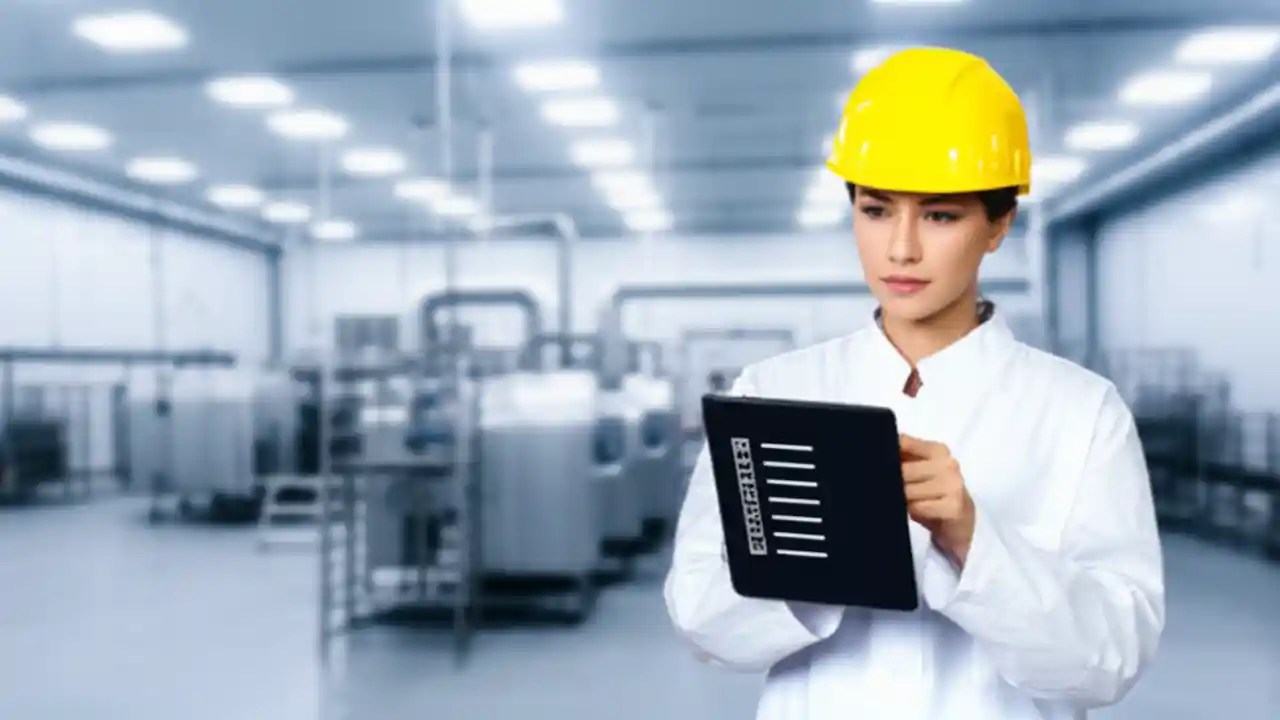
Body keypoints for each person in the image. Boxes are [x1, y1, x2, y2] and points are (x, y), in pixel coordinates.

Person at [663, 47, 1165, 719]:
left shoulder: (1080, 412)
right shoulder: (773, 390)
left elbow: (1110, 661)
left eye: (939, 215)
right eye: (876, 210)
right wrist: (820, 558)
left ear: (999, 223)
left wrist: (972, 541)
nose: (901, 248)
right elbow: (698, 617)